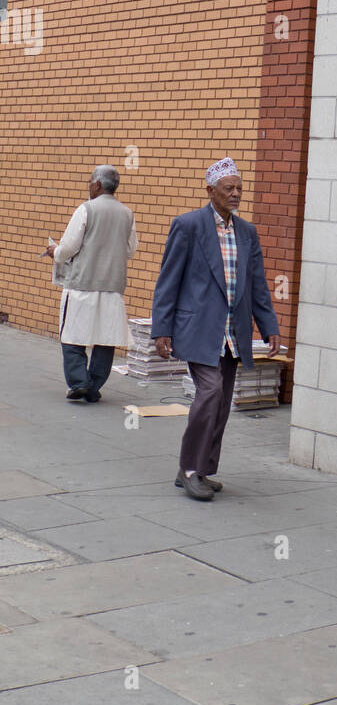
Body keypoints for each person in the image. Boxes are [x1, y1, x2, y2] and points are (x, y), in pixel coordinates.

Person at [151, 157, 280, 501]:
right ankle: (189, 469)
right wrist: (161, 330)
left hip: (233, 333)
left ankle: (203, 470)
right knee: (209, 394)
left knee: (222, 403)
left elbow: (257, 283)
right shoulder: (188, 226)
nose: (236, 193)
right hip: (199, 329)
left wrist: (269, 327)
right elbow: (168, 280)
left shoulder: (247, 232)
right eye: (229, 188)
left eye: (239, 188)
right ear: (210, 191)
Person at [46, 165, 138, 402]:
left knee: (72, 335)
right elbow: (130, 250)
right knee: (105, 337)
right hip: (112, 286)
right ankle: (94, 385)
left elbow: (68, 247)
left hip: (82, 284)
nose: (88, 185)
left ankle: (79, 383)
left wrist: (55, 251)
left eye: (90, 181)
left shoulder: (86, 209)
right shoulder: (127, 214)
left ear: (97, 184)